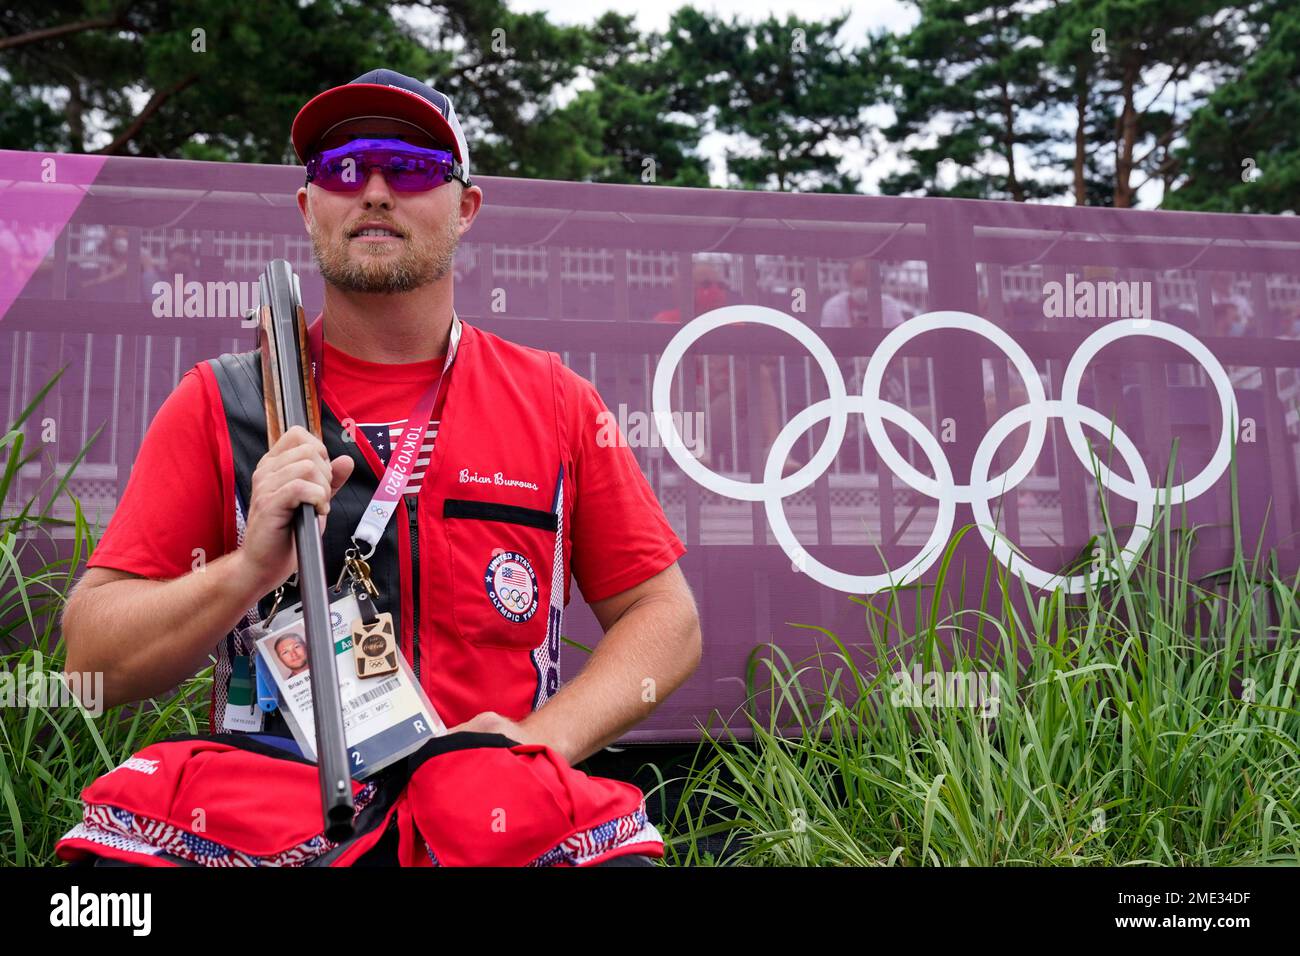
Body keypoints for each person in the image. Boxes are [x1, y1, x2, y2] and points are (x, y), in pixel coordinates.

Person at [60, 69, 701, 866]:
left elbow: (665, 617)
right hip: (274, 806)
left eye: (412, 166)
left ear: (465, 206)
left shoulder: (556, 399)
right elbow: (92, 660)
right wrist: (247, 569)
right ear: (309, 208)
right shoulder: (220, 402)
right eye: (341, 168)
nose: (372, 189)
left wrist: (543, 743)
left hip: (489, 811)